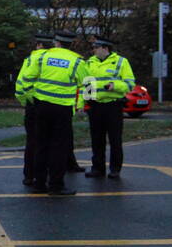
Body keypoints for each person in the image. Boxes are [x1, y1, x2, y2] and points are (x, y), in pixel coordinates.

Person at [21, 29, 84, 195]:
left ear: (56, 42)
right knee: (59, 147)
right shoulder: (77, 61)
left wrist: (30, 98)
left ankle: (39, 183)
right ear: (71, 44)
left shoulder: (43, 57)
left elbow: (26, 78)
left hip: (42, 106)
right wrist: (82, 104)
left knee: (41, 144)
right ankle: (56, 185)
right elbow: (88, 83)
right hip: (63, 108)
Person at [83, 35, 136, 179]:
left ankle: (115, 169)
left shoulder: (121, 62)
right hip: (95, 106)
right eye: (93, 47)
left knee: (115, 139)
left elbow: (130, 83)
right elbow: (86, 83)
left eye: (96, 47)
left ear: (105, 48)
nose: (93, 50)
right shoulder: (89, 63)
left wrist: (115, 86)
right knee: (96, 139)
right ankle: (97, 168)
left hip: (113, 105)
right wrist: (86, 103)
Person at [14, 32, 55, 187]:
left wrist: (28, 101)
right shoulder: (54, 60)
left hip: (33, 105)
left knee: (32, 142)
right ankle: (47, 175)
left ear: (39, 45)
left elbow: (20, 86)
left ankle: (29, 175)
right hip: (52, 104)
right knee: (50, 143)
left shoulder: (31, 59)